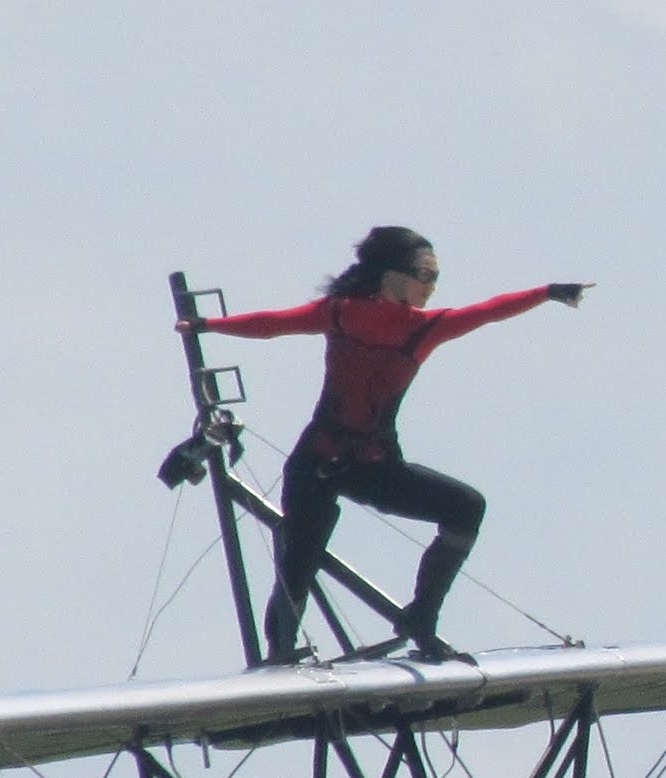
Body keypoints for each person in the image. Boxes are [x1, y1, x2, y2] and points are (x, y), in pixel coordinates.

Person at [178, 227, 592, 662]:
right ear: (390, 276)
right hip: (316, 461)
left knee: (467, 507)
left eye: (437, 278)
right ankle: (279, 650)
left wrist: (547, 292)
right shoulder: (340, 313)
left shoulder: (427, 327)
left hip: (374, 467)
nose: (432, 287)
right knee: (300, 555)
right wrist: (206, 325)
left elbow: (490, 310)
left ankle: (421, 619)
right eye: (424, 275)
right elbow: (274, 324)